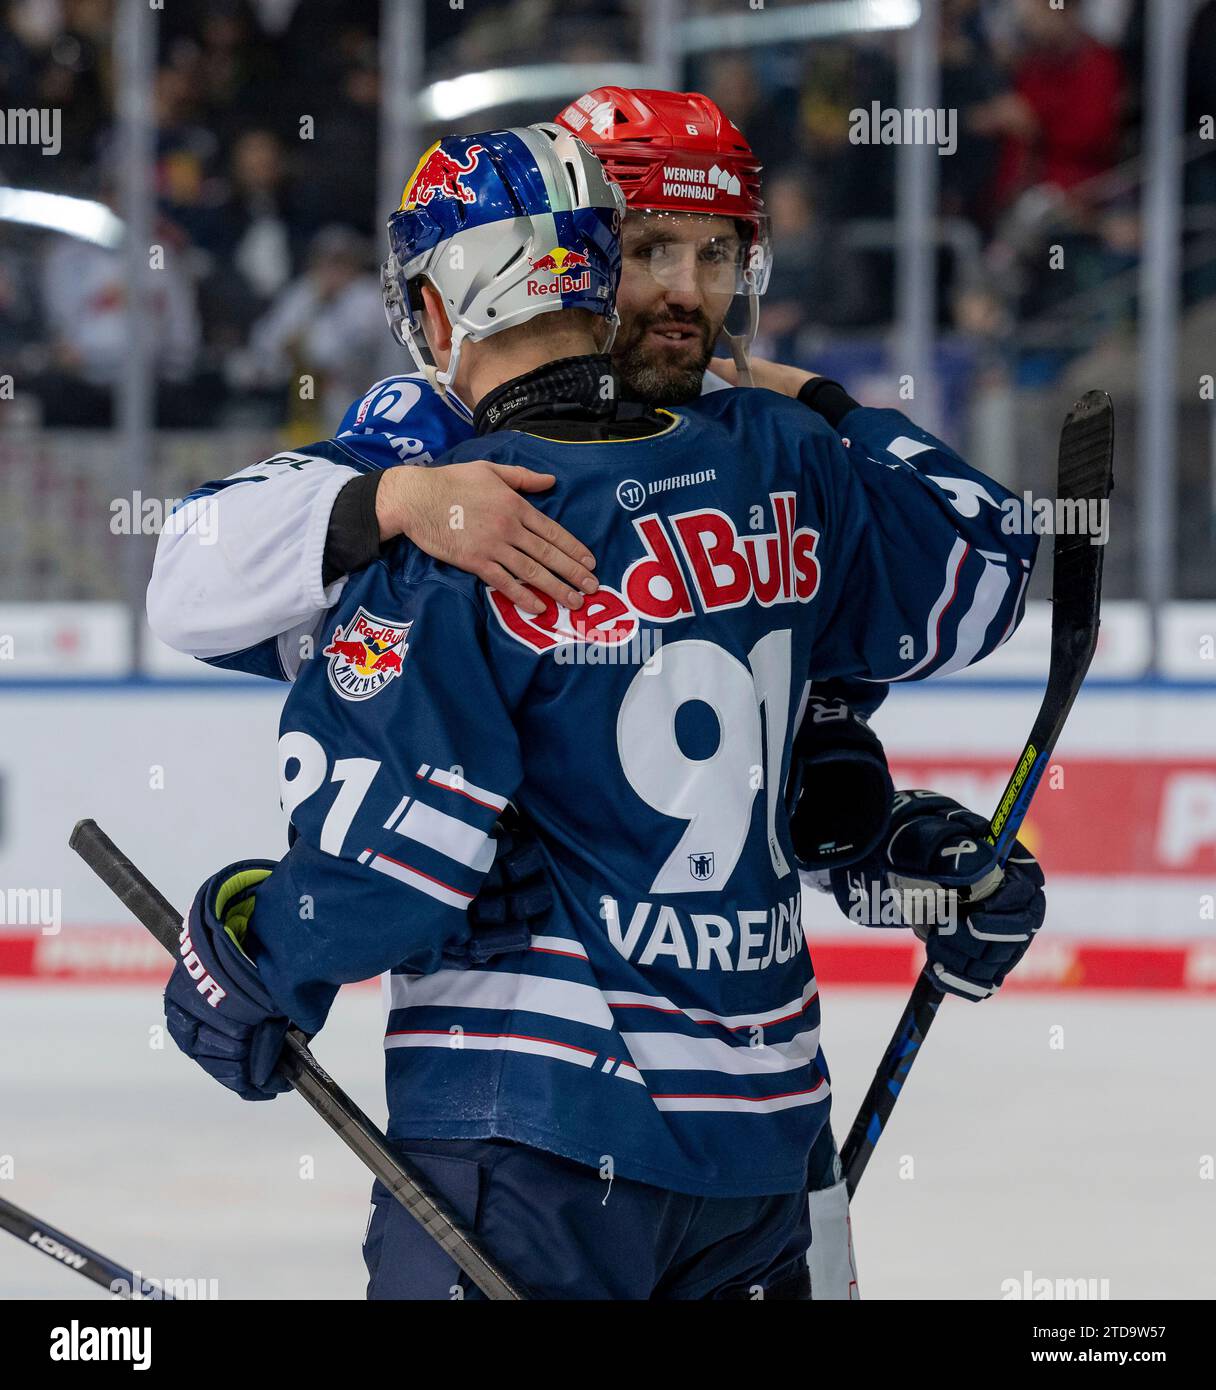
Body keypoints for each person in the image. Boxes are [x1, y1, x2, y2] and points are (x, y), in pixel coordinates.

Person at [145, 86, 1030, 1299]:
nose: (683, 292)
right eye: (649, 247)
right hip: (731, 1118)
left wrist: (881, 846)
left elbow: (752, 761)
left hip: (575, 1124)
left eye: (714, 254)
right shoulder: (447, 451)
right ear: (577, 260)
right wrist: (389, 503)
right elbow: (192, 576)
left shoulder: (752, 440)